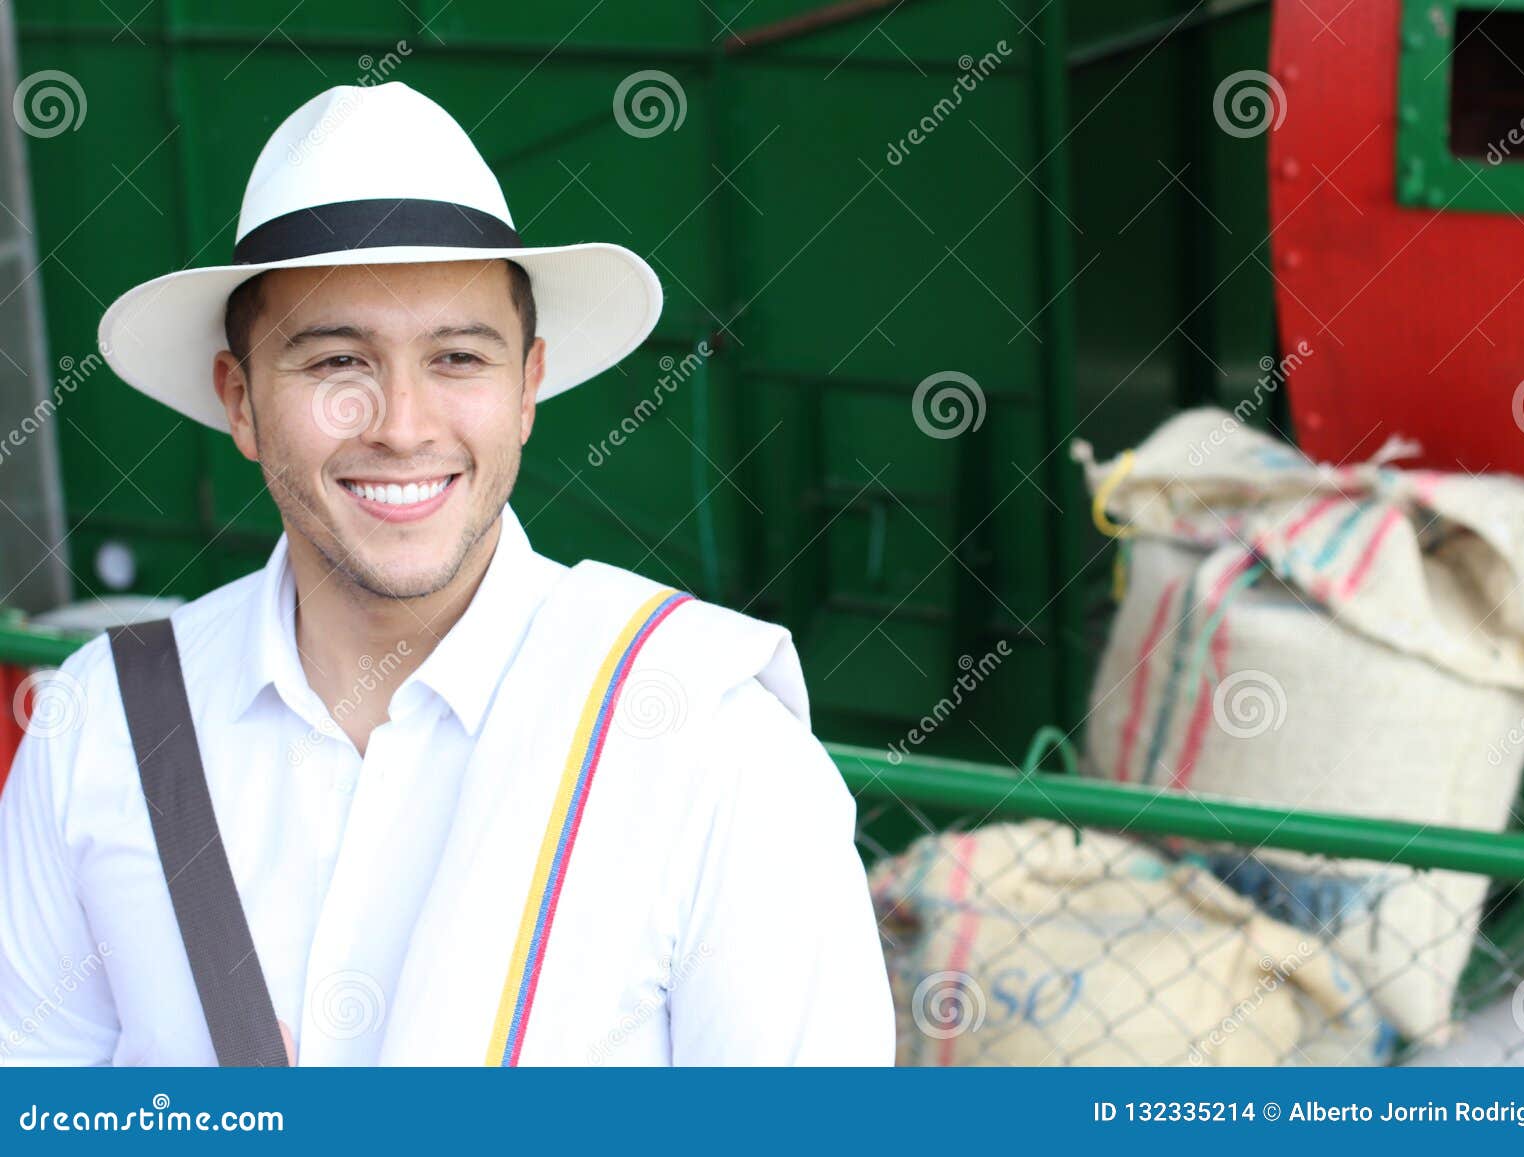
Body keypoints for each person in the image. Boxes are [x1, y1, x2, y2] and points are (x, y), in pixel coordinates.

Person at [0, 82, 893, 1066]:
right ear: (241, 402)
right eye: (337, 359)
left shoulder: (713, 742)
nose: (403, 424)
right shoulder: (102, 723)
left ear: (527, 388)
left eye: (459, 357)